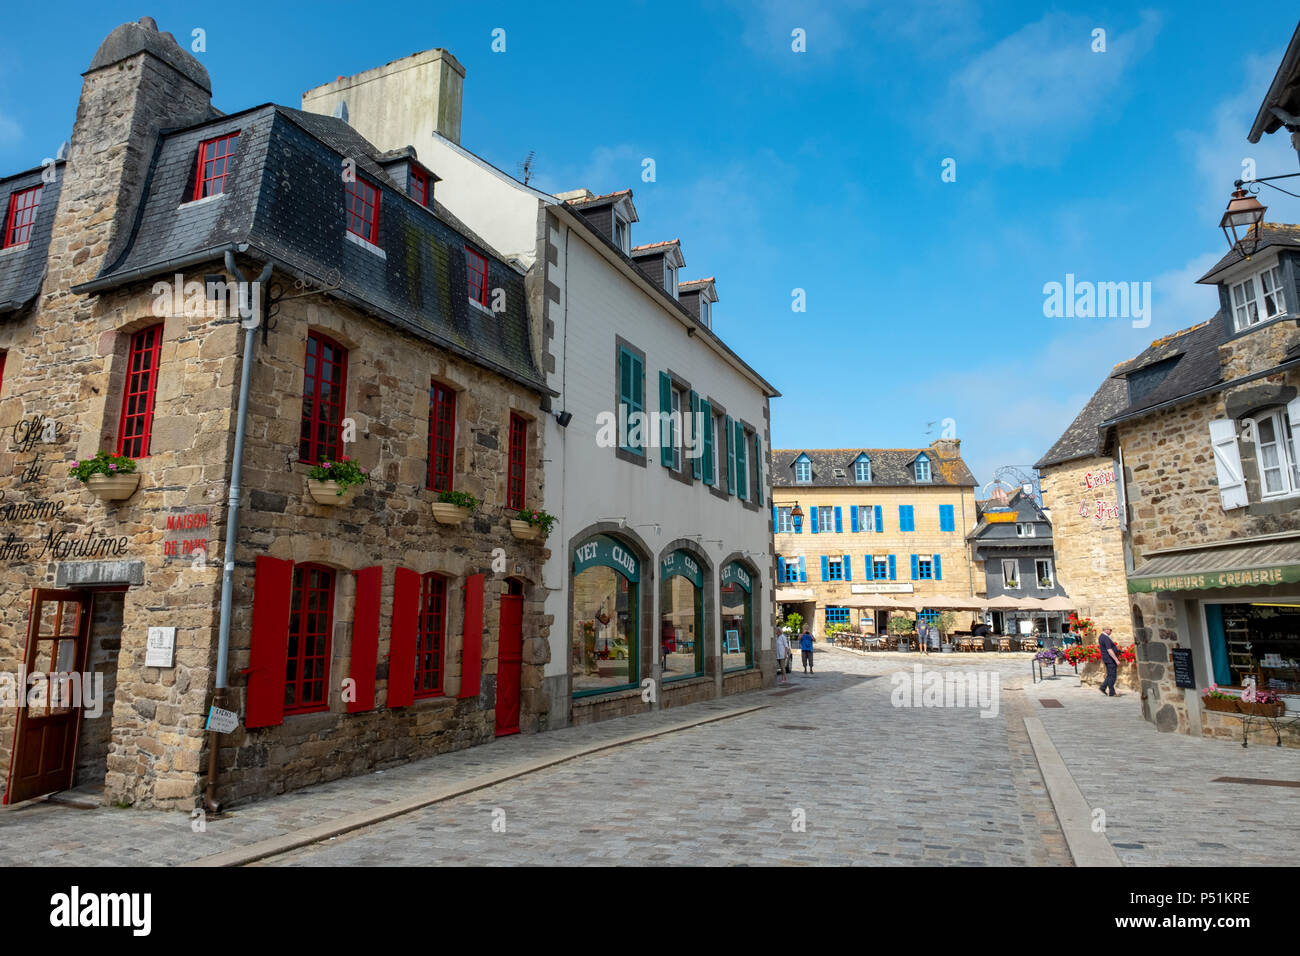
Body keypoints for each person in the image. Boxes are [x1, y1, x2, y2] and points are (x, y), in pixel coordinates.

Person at [1098, 626, 1121, 697]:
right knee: (1112, 676)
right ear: (1106, 630)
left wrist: (1119, 651)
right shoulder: (1105, 638)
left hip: (1107, 659)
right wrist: (1116, 660)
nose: (1111, 632)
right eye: (1110, 630)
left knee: (1110, 675)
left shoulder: (1101, 637)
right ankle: (1112, 692)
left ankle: (1103, 687)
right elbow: (1109, 650)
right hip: (1110, 659)